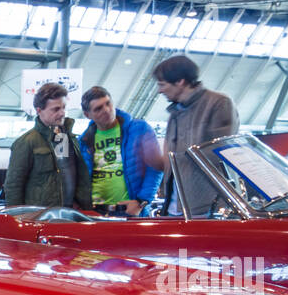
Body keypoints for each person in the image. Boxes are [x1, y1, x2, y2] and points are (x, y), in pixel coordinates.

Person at [153, 55, 238, 216]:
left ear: (180, 81)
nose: (159, 90)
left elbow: (220, 154)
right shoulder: (175, 113)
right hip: (175, 207)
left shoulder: (219, 103)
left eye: (162, 84)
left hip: (207, 208)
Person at [4, 82, 91, 210]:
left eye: (63, 107)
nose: (62, 113)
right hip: (40, 218)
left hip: (70, 215)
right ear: (39, 111)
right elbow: (13, 186)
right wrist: (19, 218)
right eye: (56, 109)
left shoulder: (70, 138)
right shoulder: (26, 142)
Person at [77, 85, 162, 216]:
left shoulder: (139, 129)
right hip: (95, 214)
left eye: (108, 103)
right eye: (98, 108)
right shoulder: (83, 141)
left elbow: (155, 168)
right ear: (88, 115)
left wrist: (142, 201)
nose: (106, 110)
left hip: (131, 212)